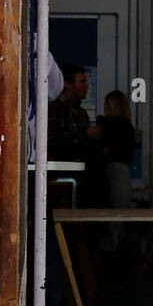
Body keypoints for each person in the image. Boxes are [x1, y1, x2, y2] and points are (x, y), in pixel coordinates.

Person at [48, 64, 106, 207]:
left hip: (83, 178)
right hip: (65, 180)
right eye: (82, 82)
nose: (87, 86)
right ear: (68, 84)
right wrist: (85, 134)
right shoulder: (56, 109)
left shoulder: (81, 112)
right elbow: (53, 141)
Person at [96, 90, 136, 253]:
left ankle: (110, 252)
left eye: (106, 104)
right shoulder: (128, 126)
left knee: (111, 216)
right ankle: (118, 251)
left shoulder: (110, 126)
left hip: (113, 173)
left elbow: (103, 150)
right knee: (118, 216)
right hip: (123, 172)